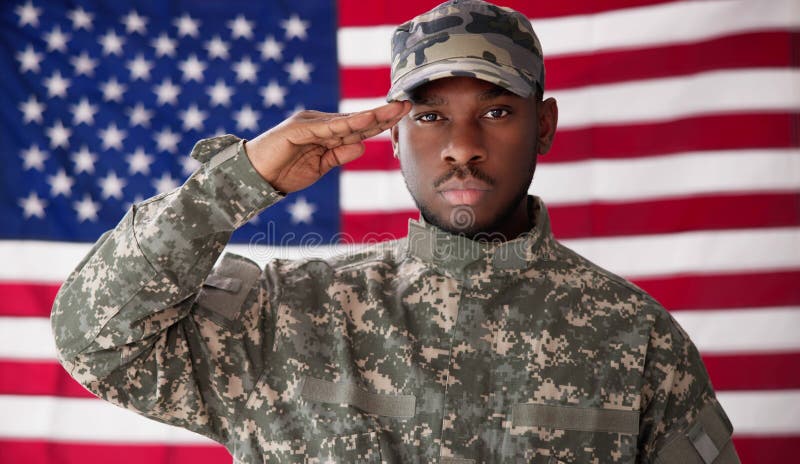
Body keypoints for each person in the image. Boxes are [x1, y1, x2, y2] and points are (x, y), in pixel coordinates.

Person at [51, 1, 740, 463]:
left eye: (497, 113)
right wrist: (238, 181)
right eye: (431, 115)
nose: (461, 147)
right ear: (394, 133)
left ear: (546, 124)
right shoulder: (283, 315)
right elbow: (96, 339)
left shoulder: (636, 339)